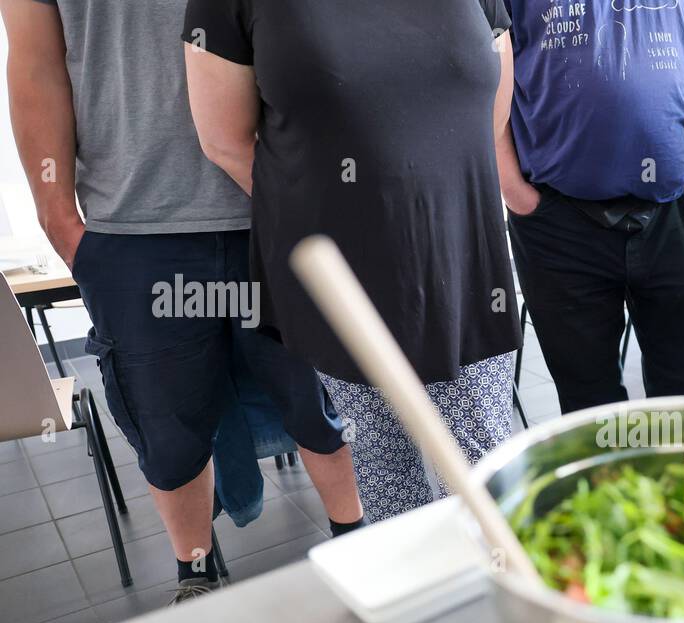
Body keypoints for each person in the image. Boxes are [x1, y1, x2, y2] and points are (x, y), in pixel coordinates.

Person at [2, 0, 364, 604]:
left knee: (320, 397)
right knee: (166, 426)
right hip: (135, 227)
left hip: (277, 203)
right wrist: (59, 218)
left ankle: (354, 537)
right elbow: (37, 64)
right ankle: (194, 573)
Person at [183, 0, 522, 522]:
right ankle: (409, 597)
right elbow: (224, 140)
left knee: (483, 471)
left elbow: (491, 107)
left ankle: (495, 595)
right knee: (390, 474)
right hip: (347, 279)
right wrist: (325, 211)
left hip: (465, 258)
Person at [496, 0, 684, 414]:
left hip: (676, 209)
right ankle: (607, 476)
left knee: (683, 391)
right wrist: (512, 188)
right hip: (558, 223)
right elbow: (490, 77)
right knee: (588, 400)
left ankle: (671, 475)